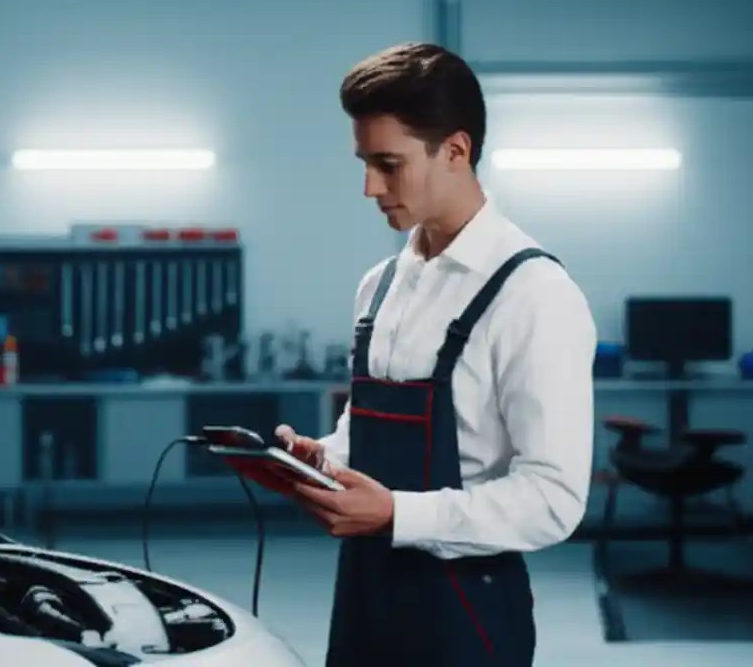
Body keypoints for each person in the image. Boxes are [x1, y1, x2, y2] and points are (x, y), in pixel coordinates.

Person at [235, 42, 597, 666]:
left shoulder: (534, 295)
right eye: (364, 163)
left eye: (389, 164)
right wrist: (323, 460)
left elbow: (552, 501)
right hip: (365, 596)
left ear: (456, 151)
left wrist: (397, 514)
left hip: (466, 615)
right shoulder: (379, 286)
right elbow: (370, 432)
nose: (370, 187)